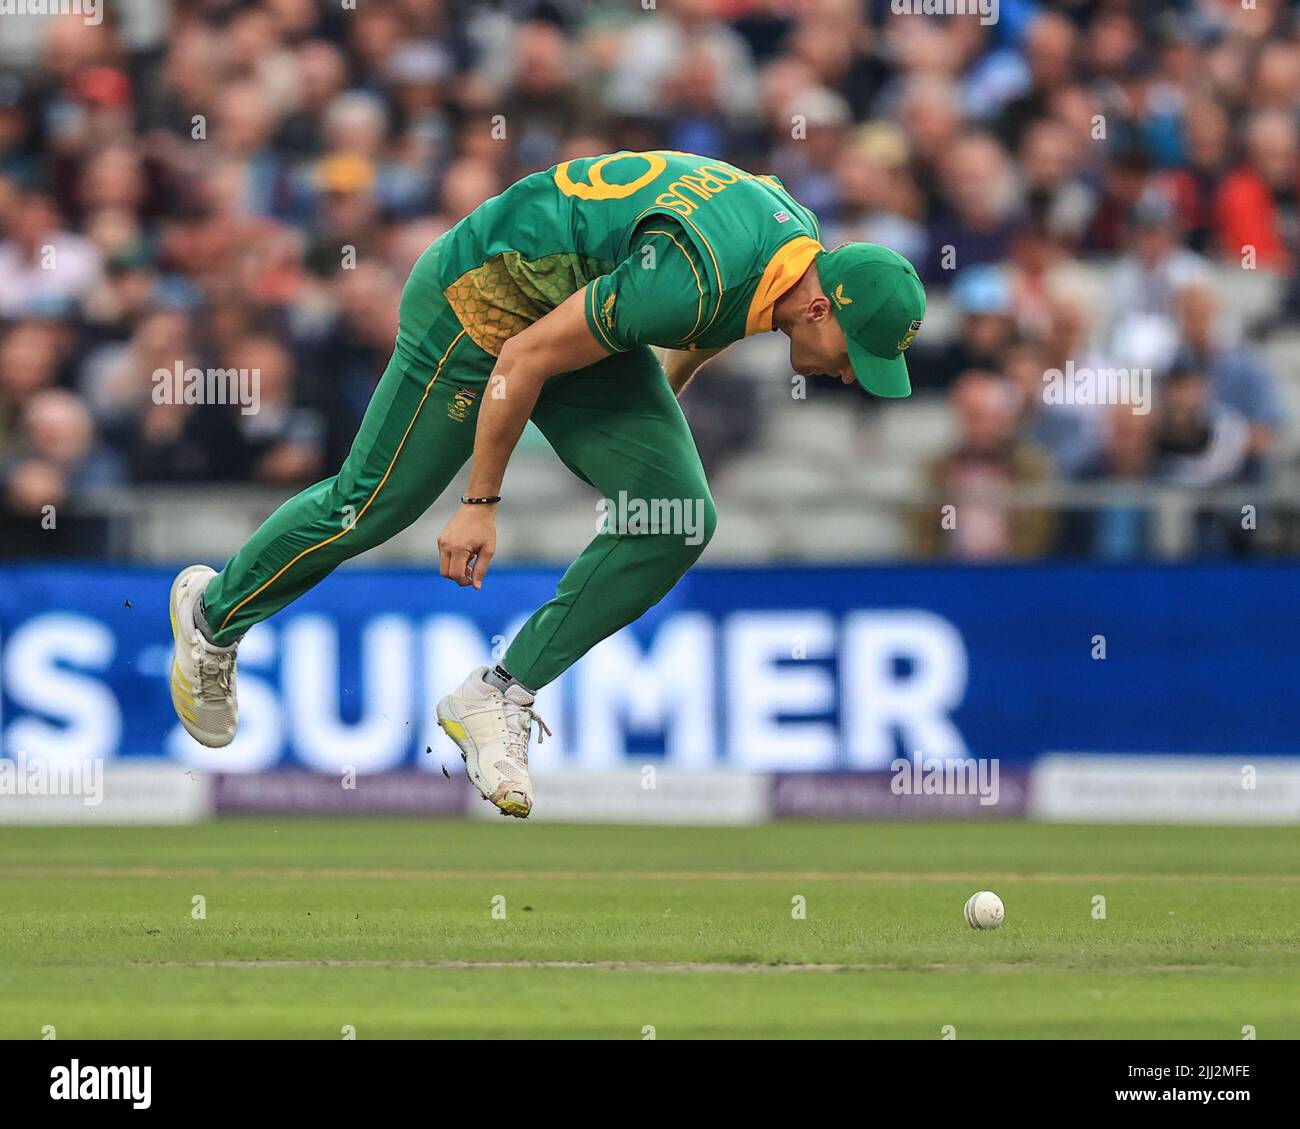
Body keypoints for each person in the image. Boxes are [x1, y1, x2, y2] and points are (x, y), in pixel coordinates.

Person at [166, 150, 926, 817]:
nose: (851, 374)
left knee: (677, 516)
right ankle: (213, 615)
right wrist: (479, 504)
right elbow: (525, 358)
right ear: (821, 306)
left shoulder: (787, 254)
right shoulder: (696, 280)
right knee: (371, 505)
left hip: (579, 304)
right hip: (482, 302)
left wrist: (643, 441)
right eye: (855, 353)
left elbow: (706, 323)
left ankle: (497, 694)